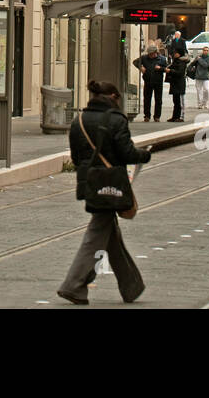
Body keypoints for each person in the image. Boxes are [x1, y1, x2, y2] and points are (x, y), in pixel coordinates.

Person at [57, 79, 152, 305]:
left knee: (109, 232)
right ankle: (73, 284)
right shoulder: (116, 119)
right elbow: (126, 152)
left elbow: (76, 156)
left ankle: (131, 286)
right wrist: (144, 155)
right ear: (112, 97)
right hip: (111, 183)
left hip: (89, 181)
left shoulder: (78, 120)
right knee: (97, 232)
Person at [136, 44, 167, 122]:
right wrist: (141, 67)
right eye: (149, 54)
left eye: (151, 54)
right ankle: (147, 116)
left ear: (155, 52)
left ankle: (157, 116)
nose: (150, 55)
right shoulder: (144, 58)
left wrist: (160, 68)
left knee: (158, 100)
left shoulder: (162, 59)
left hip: (158, 82)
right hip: (148, 81)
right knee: (147, 99)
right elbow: (135, 62)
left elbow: (166, 69)